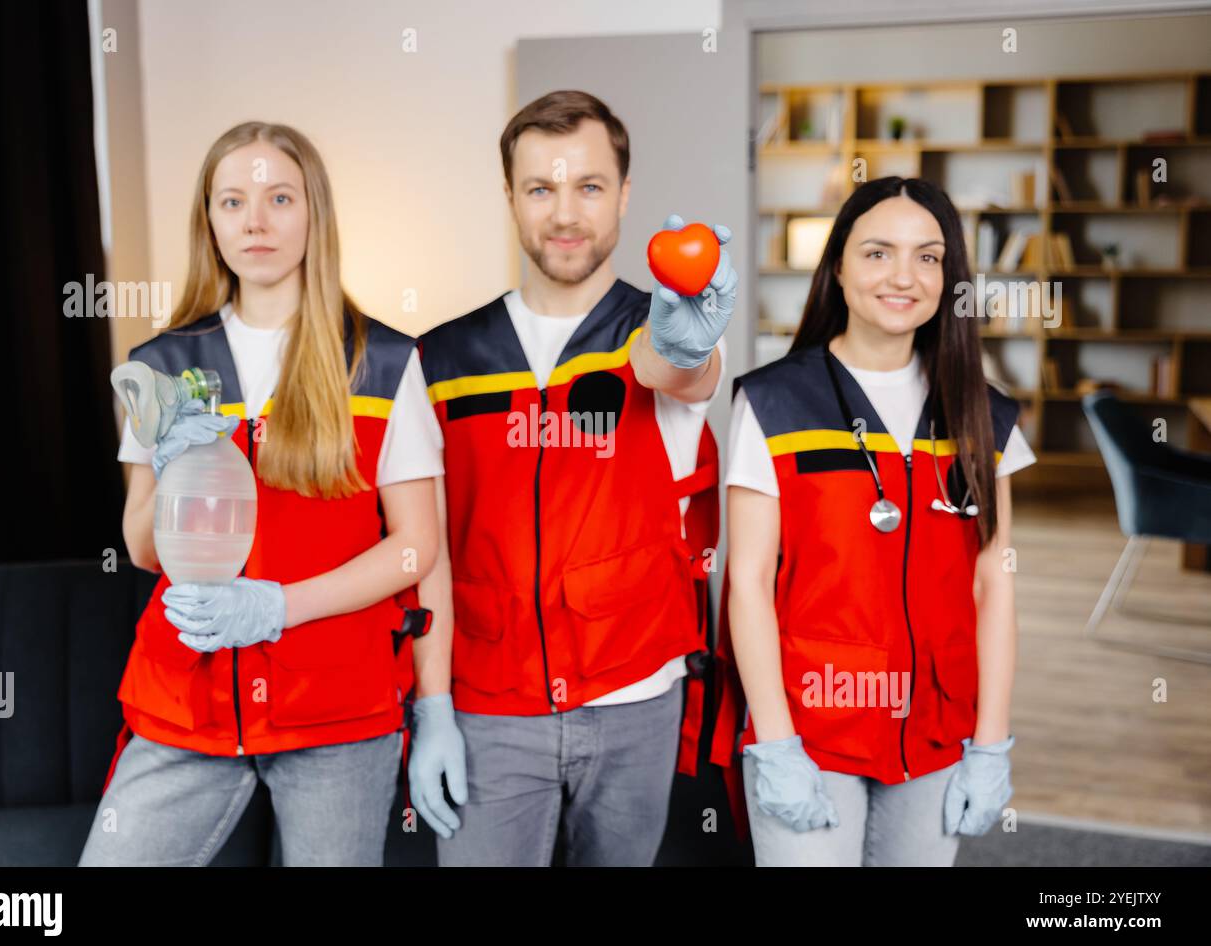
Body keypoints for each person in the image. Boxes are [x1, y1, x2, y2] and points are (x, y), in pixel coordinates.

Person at [79, 121, 460, 866]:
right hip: (187, 701)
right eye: (232, 201)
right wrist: (180, 463)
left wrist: (276, 608)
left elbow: (417, 546)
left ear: (313, 213)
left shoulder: (382, 363)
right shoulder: (162, 366)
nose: (255, 220)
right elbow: (142, 548)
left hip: (336, 713)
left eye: (279, 198)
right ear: (210, 222)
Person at [414, 90, 736, 866]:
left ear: (624, 194)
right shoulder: (440, 362)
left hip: (635, 704)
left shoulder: (654, 336)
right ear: (511, 198)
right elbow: (423, 552)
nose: (565, 213)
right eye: (541, 188)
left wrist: (688, 349)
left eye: (588, 186)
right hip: (489, 707)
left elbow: (684, 373)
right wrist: (430, 708)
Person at [713, 176, 1034, 866]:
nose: (903, 276)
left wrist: (991, 741)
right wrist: (774, 742)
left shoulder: (984, 414)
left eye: (927, 257)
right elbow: (748, 586)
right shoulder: (773, 404)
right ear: (839, 267)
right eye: (878, 252)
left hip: (937, 733)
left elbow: (994, 587)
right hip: (810, 728)